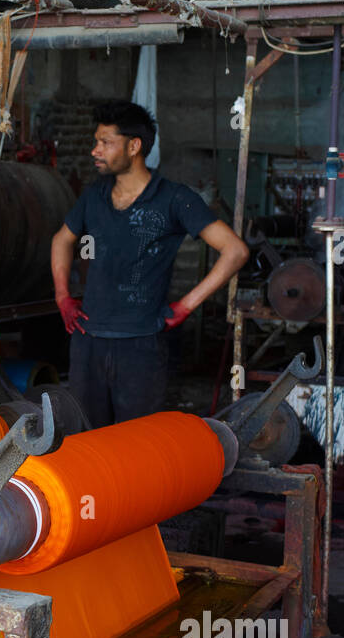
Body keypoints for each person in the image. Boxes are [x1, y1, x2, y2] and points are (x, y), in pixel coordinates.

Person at [50, 101, 248, 427]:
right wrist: (62, 296)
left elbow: (235, 251)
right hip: (87, 342)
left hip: (140, 345)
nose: (95, 150)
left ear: (134, 146)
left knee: (134, 442)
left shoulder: (174, 198)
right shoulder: (94, 196)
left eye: (105, 142)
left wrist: (185, 306)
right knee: (84, 442)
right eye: (96, 142)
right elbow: (62, 240)